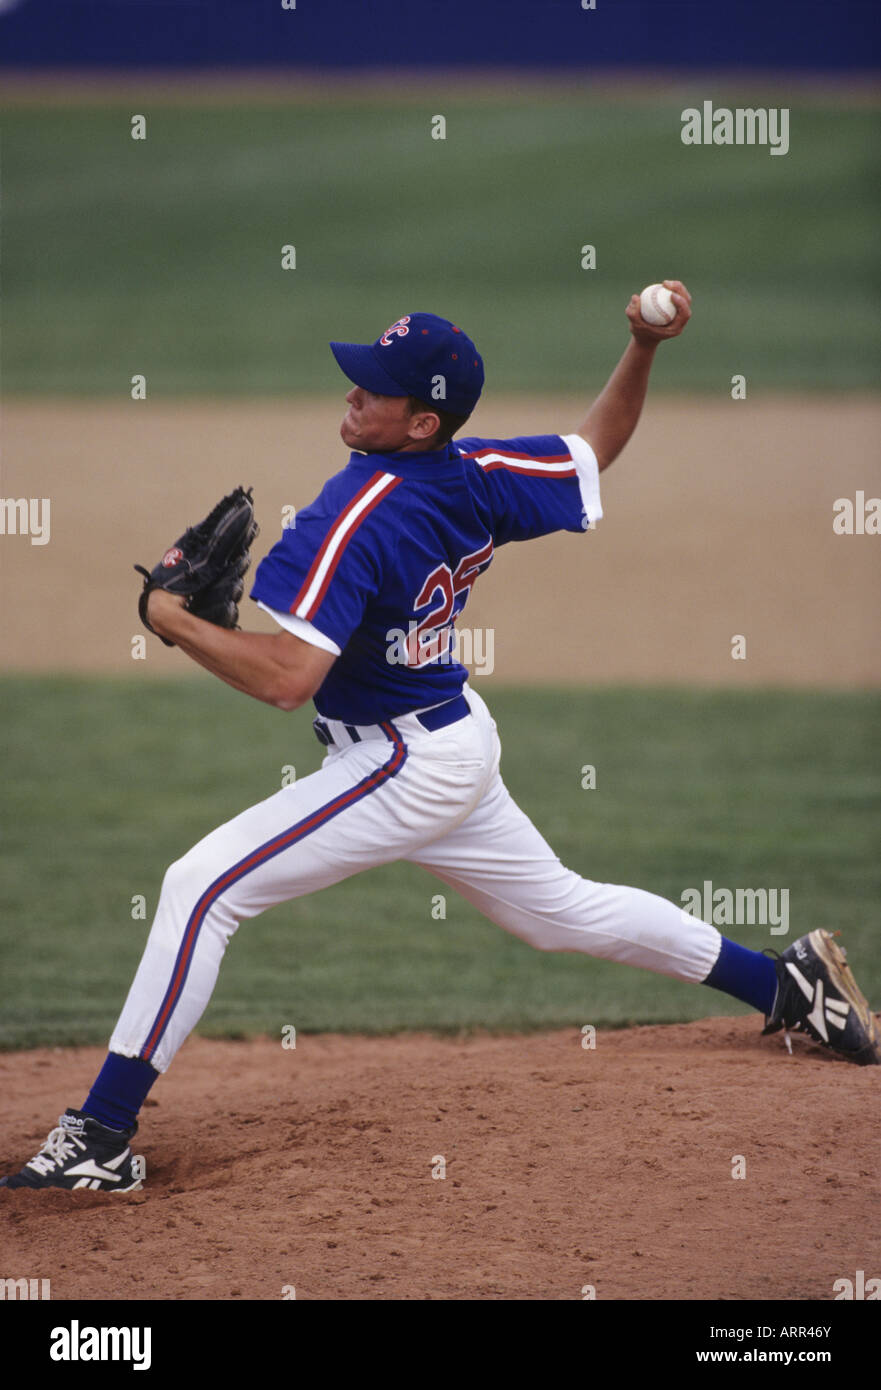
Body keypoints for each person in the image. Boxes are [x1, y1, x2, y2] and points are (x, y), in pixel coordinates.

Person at [3, 285, 877, 1193]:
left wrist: (168, 618)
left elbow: (285, 681)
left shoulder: (352, 515)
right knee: (561, 912)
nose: (350, 393)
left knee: (199, 890)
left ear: (421, 421)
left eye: (371, 390)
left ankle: (99, 1137)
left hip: (401, 763)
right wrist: (641, 346)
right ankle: (784, 986)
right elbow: (592, 451)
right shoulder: (476, 469)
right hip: (452, 742)